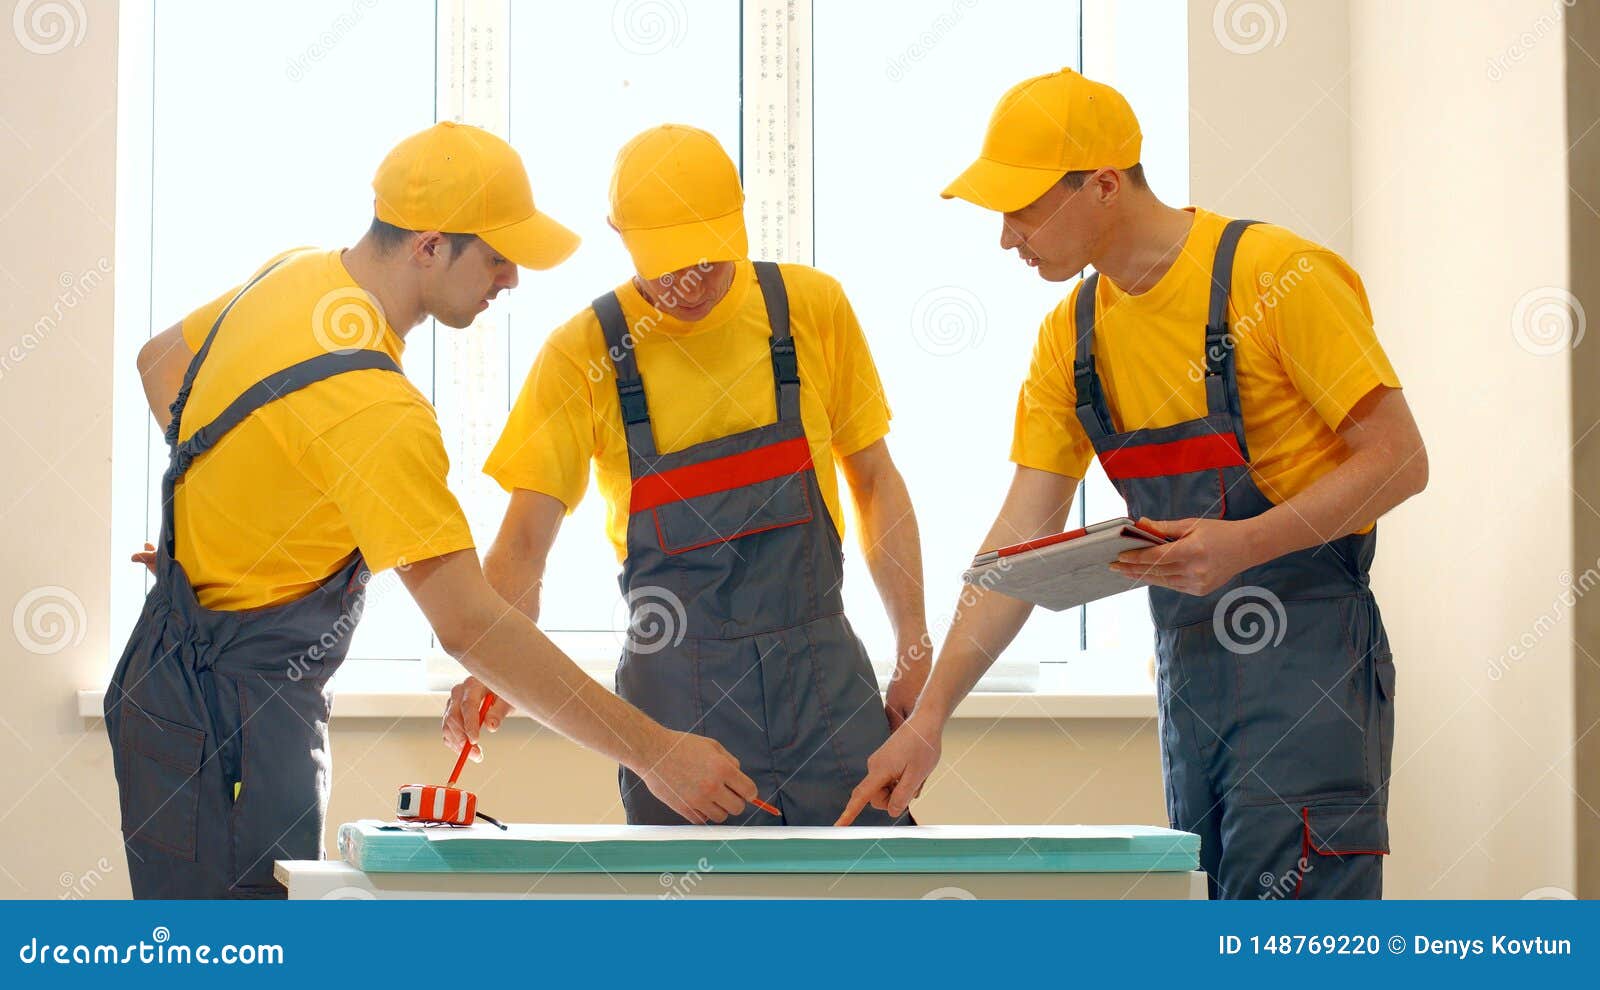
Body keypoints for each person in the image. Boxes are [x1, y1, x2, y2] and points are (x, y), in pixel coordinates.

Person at [109, 122, 756, 899]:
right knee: (251, 950)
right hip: (235, 726)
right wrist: (655, 751)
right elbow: (471, 626)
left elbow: (162, 364)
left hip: (163, 675)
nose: (511, 278)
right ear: (428, 246)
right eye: (496, 255)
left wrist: (218, 508)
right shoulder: (373, 409)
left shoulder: (295, 275)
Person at [839, 69, 1427, 899]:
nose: (1008, 237)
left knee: (1299, 954)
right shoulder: (1071, 339)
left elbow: (1401, 458)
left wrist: (1248, 543)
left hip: (1310, 671)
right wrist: (931, 717)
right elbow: (1016, 540)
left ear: (1105, 186)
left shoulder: (1276, 274)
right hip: (1191, 685)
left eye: (1023, 209)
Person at [441, 125, 928, 825]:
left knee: (879, 903)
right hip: (676, 710)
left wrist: (913, 639)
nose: (689, 279)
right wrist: (487, 663)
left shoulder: (811, 309)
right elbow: (522, 547)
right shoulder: (583, 354)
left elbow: (876, 480)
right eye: (665, 260)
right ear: (619, 234)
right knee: (694, 919)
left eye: (706, 253)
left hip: (825, 685)